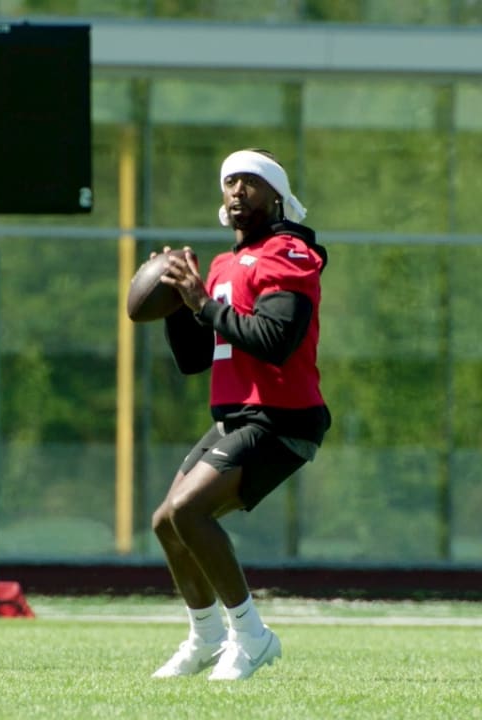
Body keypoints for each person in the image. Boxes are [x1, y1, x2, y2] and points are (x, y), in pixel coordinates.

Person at [149, 149, 331, 681]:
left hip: (282, 416)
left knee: (189, 512)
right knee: (167, 522)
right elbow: (194, 360)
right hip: (237, 415)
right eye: (230, 182)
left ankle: (251, 636)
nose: (236, 191)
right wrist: (180, 303)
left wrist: (203, 305)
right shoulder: (226, 264)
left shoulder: (291, 252)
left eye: (250, 182)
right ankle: (206, 637)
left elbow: (276, 340)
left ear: (277, 196)